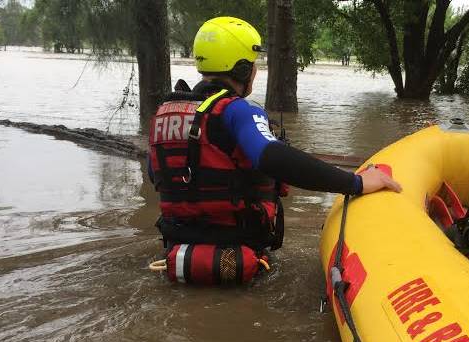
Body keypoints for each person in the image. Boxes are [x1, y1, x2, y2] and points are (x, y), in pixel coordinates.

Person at [147, 17, 400, 282]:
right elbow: (273, 157)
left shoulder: (164, 114)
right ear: (243, 70)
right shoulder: (237, 110)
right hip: (240, 254)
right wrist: (356, 183)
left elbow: (156, 176)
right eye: (253, 65)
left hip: (177, 254)